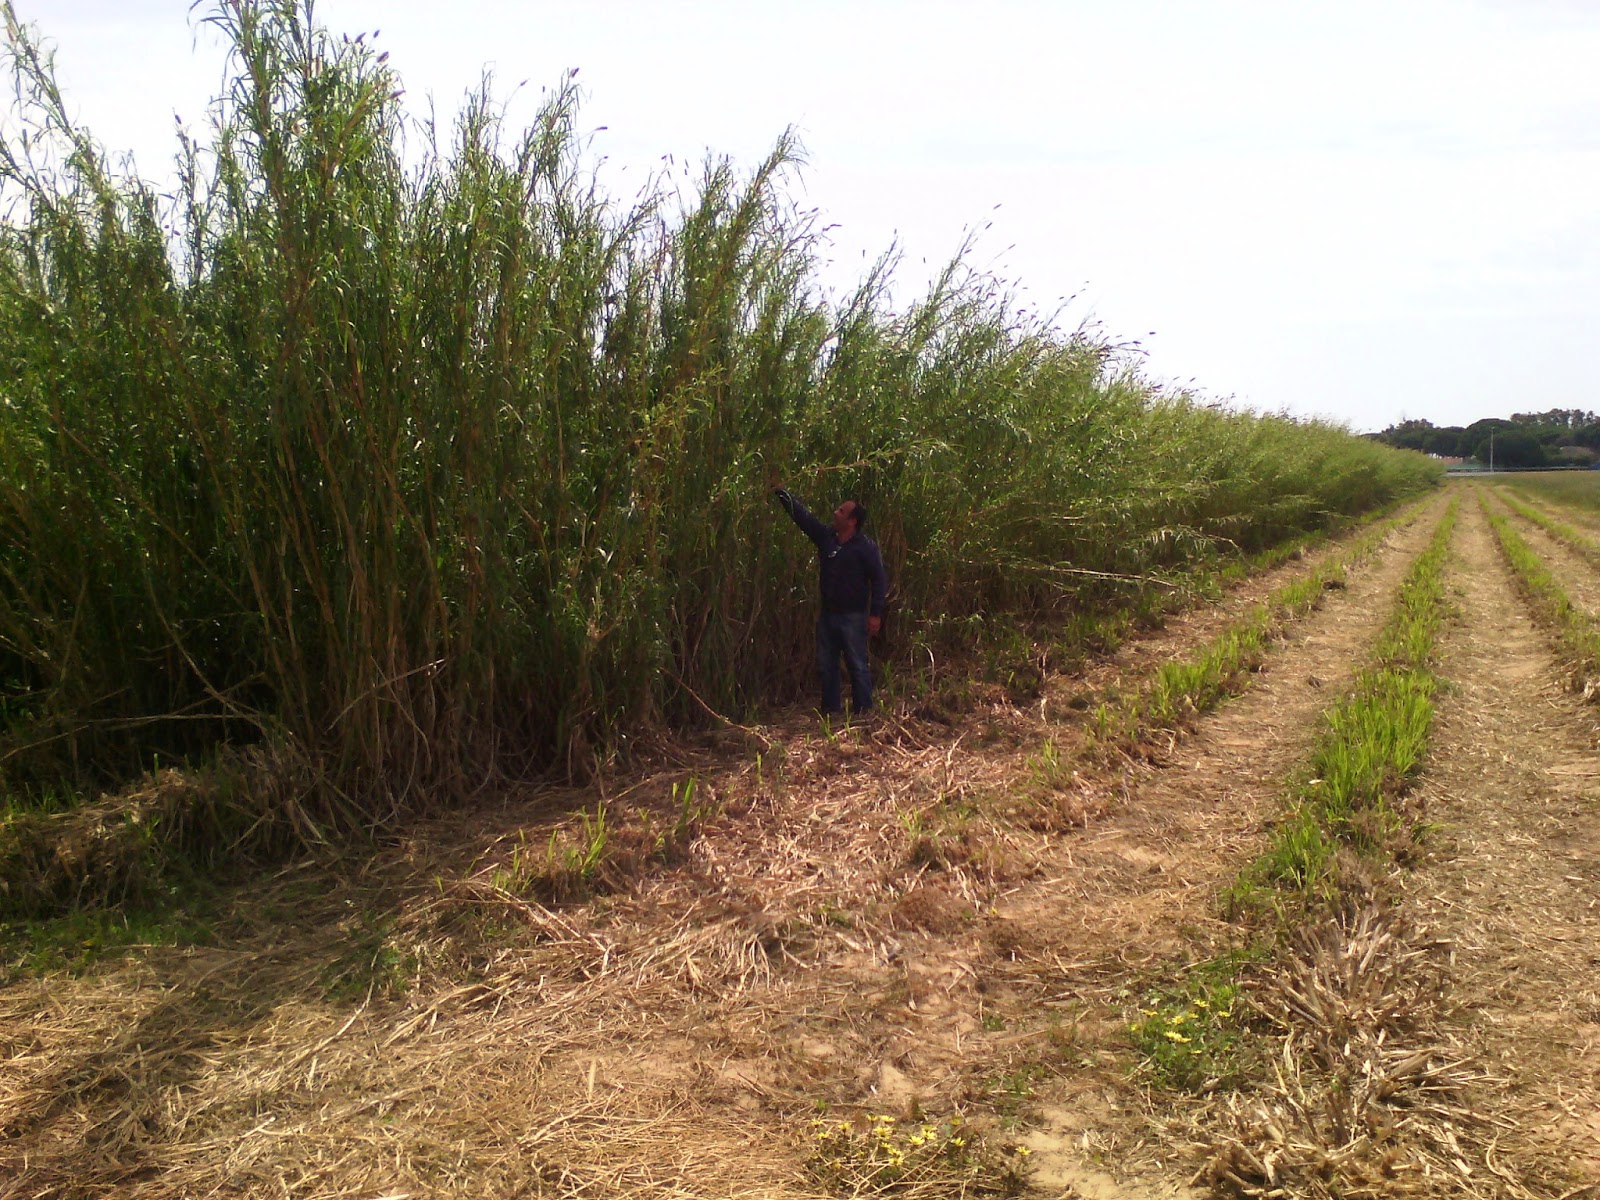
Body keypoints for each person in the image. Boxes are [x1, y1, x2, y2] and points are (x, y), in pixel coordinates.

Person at [772, 487, 888, 717]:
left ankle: (863, 713)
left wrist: (875, 613)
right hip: (828, 616)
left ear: (852, 521)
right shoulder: (828, 540)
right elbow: (804, 519)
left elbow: (879, 580)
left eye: (841, 511)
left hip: (853, 617)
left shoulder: (865, 548)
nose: (835, 513)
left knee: (857, 665)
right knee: (827, 666)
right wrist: (782, 494)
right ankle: (831, 713)